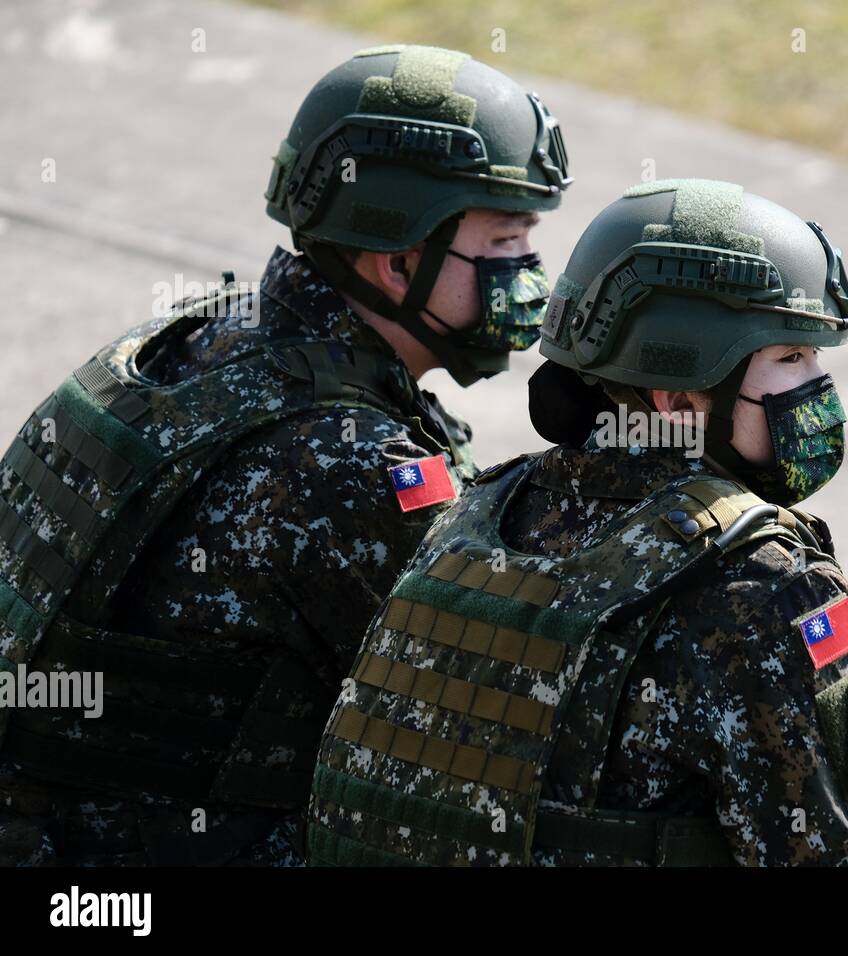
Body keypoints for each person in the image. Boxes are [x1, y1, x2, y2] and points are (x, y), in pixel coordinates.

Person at [0, 44, 572, 865]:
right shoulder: (346, 463)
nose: (531, 276)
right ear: (399, 257)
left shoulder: (204, 332)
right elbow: (508, 713)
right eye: (506, 243)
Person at [307, 179, 848, 866]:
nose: (818, 388)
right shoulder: (760, 587)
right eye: (789, 358)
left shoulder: (479, 513)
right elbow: (839, 856)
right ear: (681, 398)